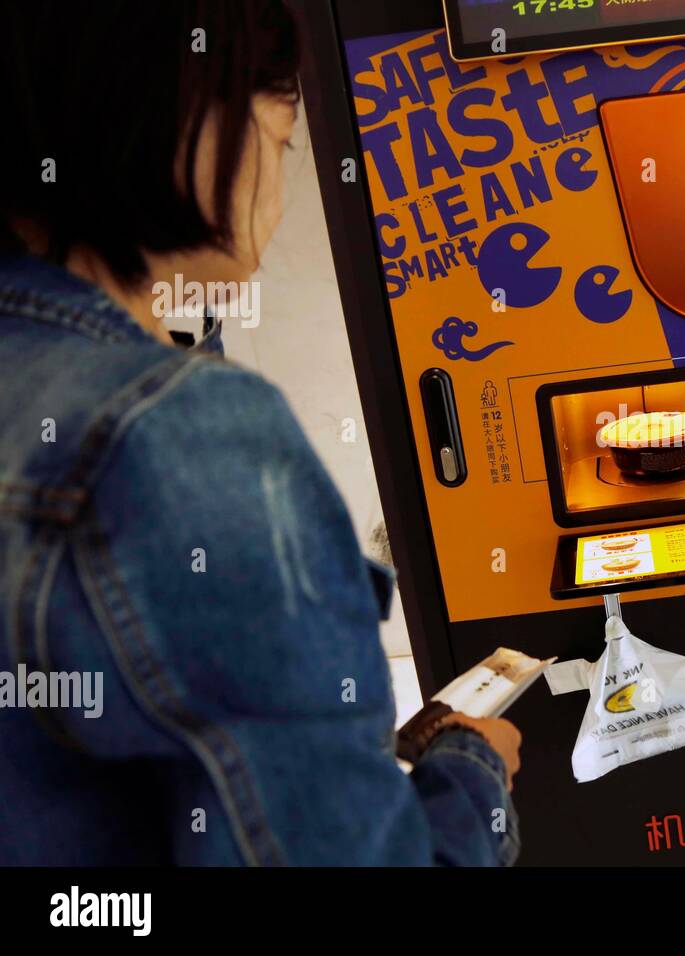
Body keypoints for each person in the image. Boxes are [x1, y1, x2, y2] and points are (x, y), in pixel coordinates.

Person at [0, 1, 521, 865]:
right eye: (280, 119)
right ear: (187, 111)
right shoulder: (174, 435)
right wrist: (472, 775)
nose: (284, 153)